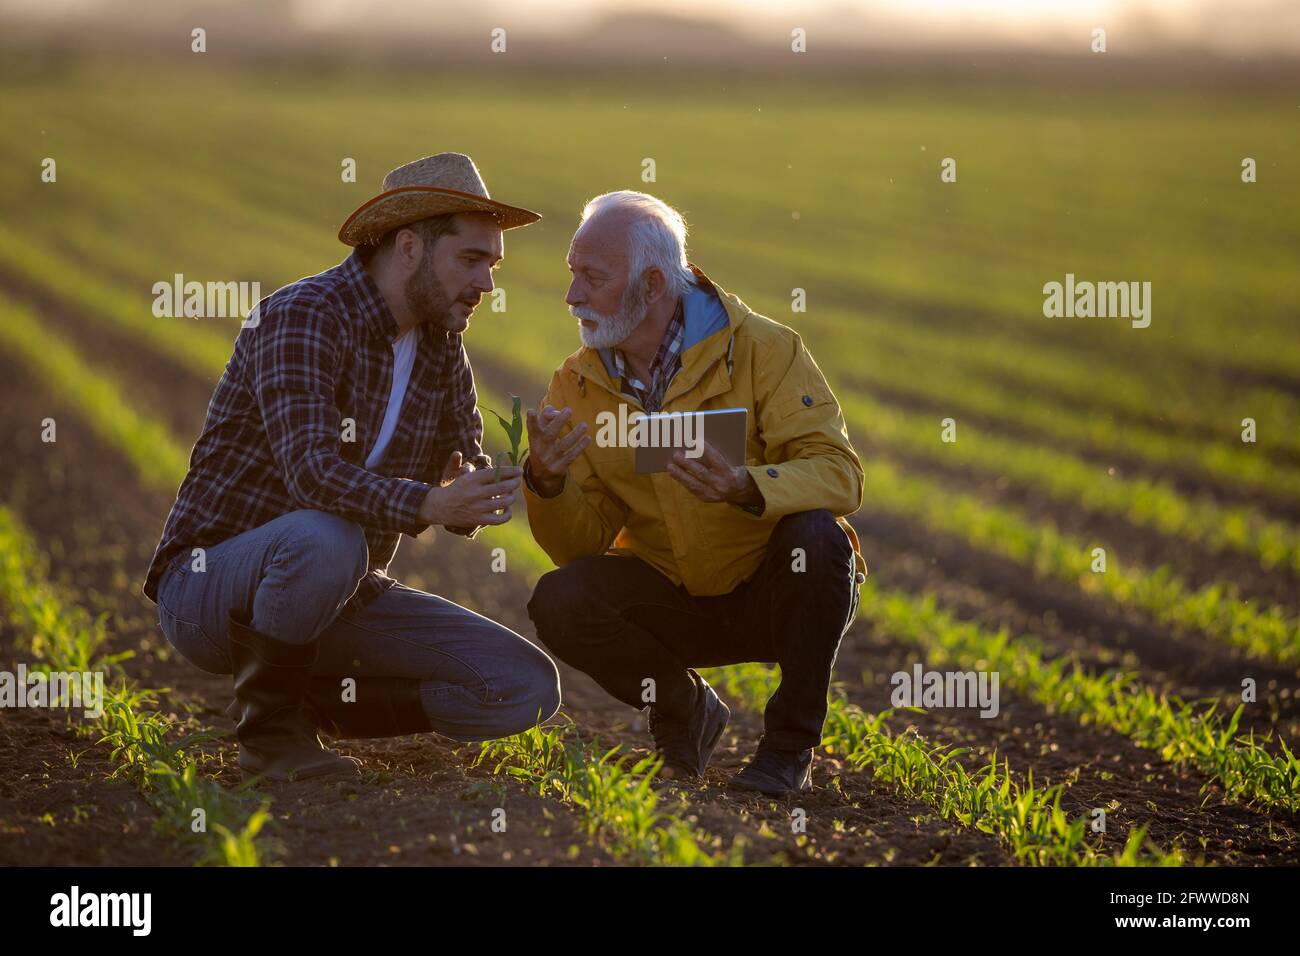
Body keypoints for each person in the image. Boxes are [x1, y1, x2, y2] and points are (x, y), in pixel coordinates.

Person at [142, 153, 560, 782]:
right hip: (212, 589)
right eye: (471, 260)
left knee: (525, 684)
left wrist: (509, 478)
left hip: (341, 591)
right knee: (326, 534)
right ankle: (268, 739)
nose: (486, 285)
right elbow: (312, 474)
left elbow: (465, 471)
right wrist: (429, 501)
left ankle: (313, 703)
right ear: (411, 247)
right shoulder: (304, 315)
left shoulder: (444, 349)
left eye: (493, 265)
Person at [523, 191, 867, 796]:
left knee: (816, 537)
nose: (572, 295)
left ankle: (789, 748)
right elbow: (581, 544)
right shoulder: (575, 384)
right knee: (559, 599)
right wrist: (547, 483)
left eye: (591, 278)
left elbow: (839, 473)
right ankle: (683, 709)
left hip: (773, 595)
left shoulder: (765, 350)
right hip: (673, 601)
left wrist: (746, 485)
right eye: (572, 274)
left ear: (652, 285)